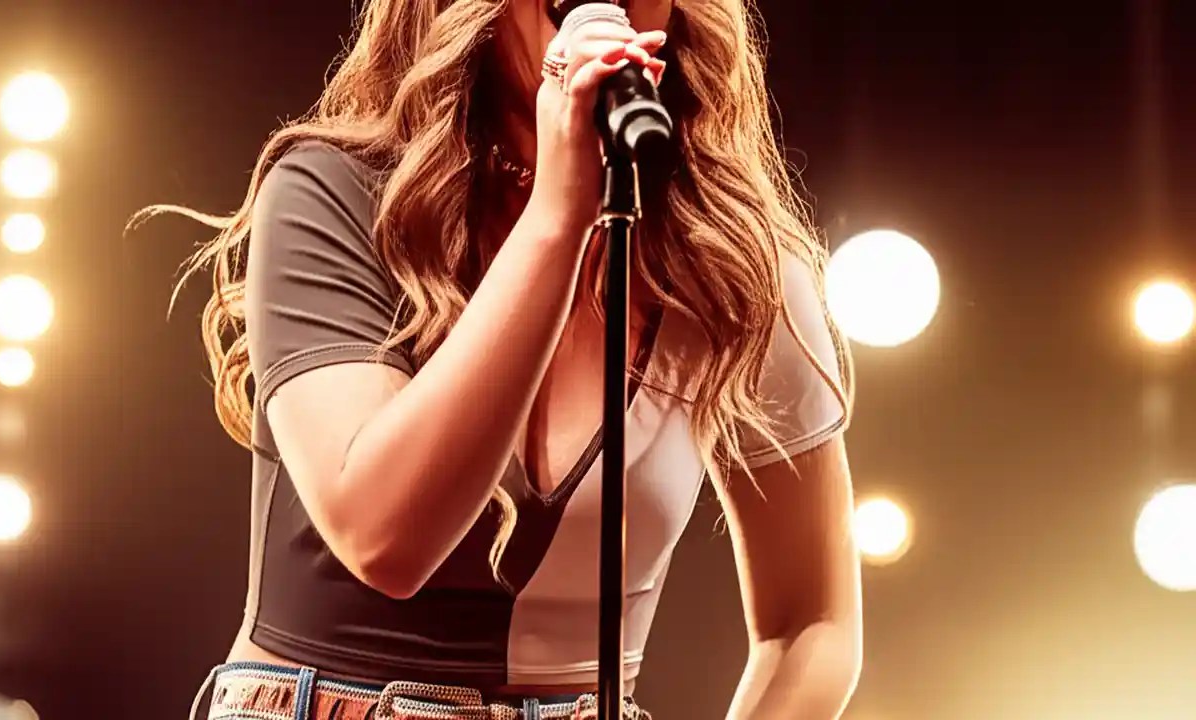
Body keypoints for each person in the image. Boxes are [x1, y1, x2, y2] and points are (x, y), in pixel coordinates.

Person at [155, 1, 863, 718]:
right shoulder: (335, 193)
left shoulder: (734, 266)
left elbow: (812, 623)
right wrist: (559, 212)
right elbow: (381, 538)